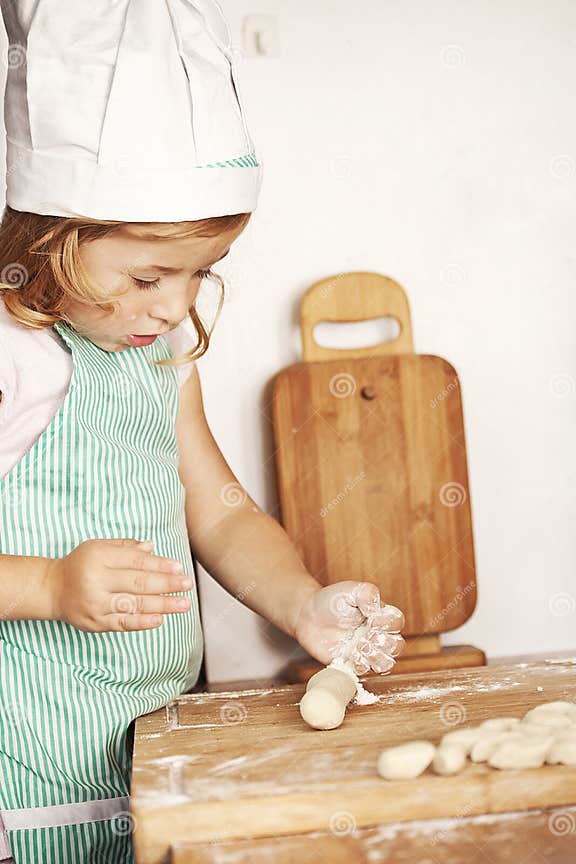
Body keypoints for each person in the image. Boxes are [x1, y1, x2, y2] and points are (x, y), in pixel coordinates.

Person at [0, 1, 405, 861]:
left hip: (158, 748)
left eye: (199, 274)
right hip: (27, 787)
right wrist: (45, 587)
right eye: (150, 274)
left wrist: (303, 603)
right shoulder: (13, 355)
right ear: (49, 238)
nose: (179, 305)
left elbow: (215, 512)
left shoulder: (158, 344)